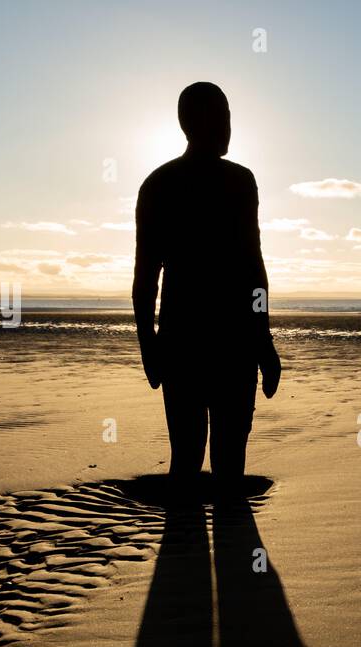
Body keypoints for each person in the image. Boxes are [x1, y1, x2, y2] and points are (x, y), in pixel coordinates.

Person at [132, 81, 281, 490]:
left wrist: (264, 341)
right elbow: (147, 279)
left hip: (199, 342)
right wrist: (149, 346)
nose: (229, 126)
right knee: (204, 457)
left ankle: (201, 546)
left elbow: (146, 281)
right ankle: (200, 547)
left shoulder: (163, 183)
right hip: (209, 342)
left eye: (230, 116)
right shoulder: (223, 183)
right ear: (197, 122)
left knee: (205, 457)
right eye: (223, 117)